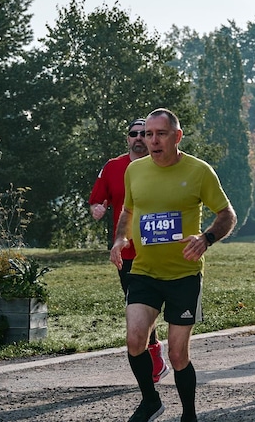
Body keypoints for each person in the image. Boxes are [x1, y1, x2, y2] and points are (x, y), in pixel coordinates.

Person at [109, 108, 236, 422]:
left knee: (178, 354)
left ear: (177, 137)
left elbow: (227, 215)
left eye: (160, 134)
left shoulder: (199, 171)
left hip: (184, 275)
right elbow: (128, 210)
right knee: (135, 339)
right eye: (147, 134)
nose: (152, 140)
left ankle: (189, 414)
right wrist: (119, 239)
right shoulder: (134, 171)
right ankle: (151, 401)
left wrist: (206, 239)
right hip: (144, 271)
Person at [89, 118, 168, 383]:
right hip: (128, 252)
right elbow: (97, 200)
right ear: (127, 139)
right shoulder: (113, 167)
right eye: (133, 134)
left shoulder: (163, 164)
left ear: (151, 138)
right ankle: (154, 354)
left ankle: (156, 352)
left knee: (153, 305)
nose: (138, 138)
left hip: (160, 248)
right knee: (139, 305)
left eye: (143, 134)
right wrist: (97, 209)